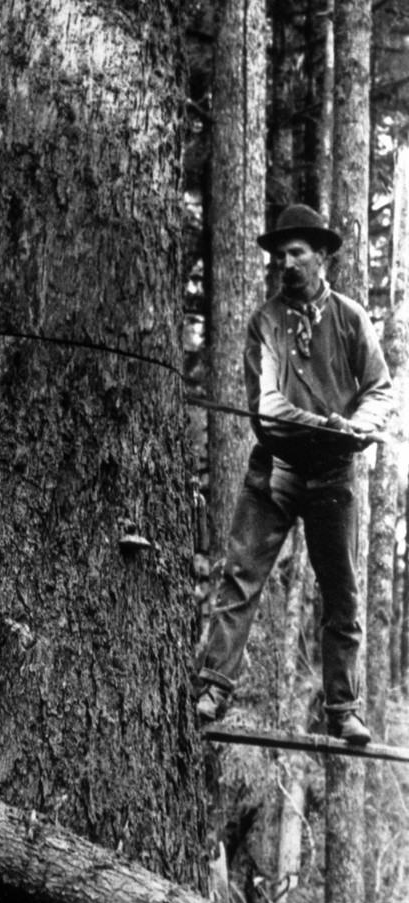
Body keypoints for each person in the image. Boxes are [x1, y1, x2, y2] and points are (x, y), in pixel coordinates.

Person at [195, 204, 395, 745]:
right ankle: (214, 686)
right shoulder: (264, 324)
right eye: (280, 254)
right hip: (277, 471)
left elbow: (379, 389)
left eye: (297, 252)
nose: (287, 262)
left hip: (333, 477)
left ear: (323, 256)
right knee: (241, 576)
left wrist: (355, 426)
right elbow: (268, 411)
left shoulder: (352, 319)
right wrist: (327, 426)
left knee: (343, 594)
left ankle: (343, 708)